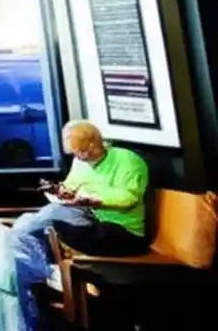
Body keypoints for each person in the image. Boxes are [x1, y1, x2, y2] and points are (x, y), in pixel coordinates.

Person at [11, 120, 149, 329]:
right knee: (29, 223)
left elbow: (129, 198)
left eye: (80, 152)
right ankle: (41, 275)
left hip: (122, 231)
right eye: (74, 153)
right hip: (88, 216)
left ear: (93, 144)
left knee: (47, 220)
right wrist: (61, 191)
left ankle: (43, 276)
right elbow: (72, 186)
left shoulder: (128, 161)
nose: (77, 158)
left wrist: (94, 199)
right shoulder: (80, 162)